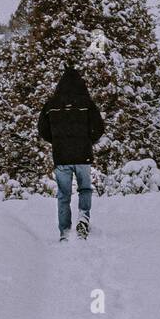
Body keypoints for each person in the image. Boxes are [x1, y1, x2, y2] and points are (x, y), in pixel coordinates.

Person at [37, 66, 104, 242]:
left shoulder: (51, 105)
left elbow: (42, 129)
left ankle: (65, 231)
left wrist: (57, 140)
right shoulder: (87, 103)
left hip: (61, 156)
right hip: (83, 154)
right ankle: (83, 217)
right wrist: (88, 140)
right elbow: (99, 127)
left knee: (63, 194)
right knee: (85, 189)